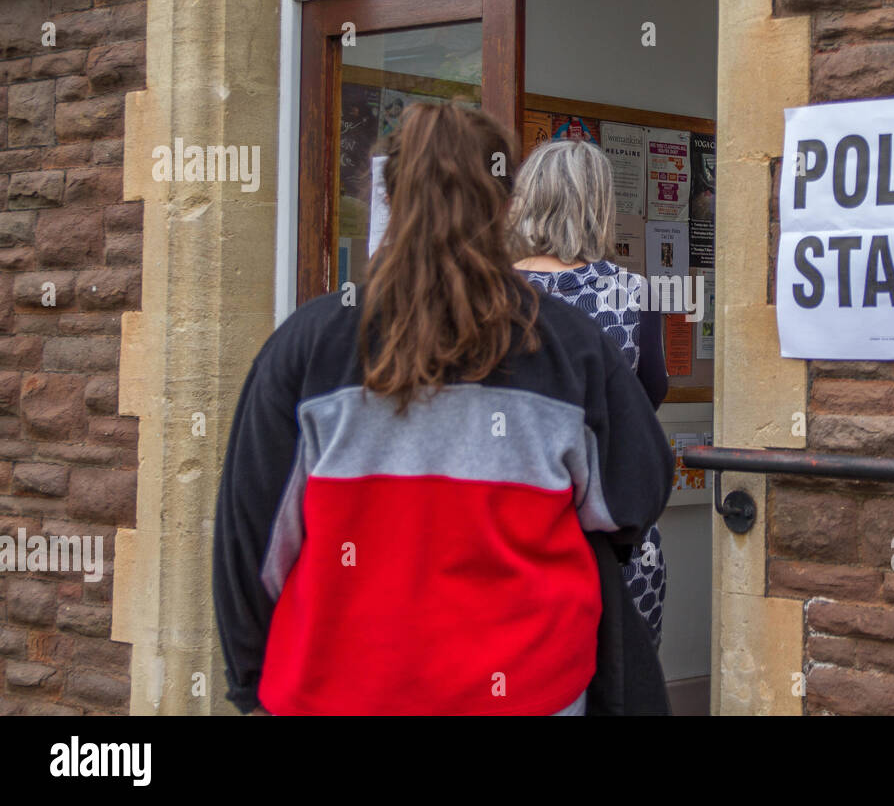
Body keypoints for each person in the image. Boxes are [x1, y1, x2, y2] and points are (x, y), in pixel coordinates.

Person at [213, 102, 674, 716]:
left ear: (390, 196)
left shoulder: (307, 347)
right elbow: (633, 499)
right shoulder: (569, 348)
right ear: (503, 201)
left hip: (340, 693)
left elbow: (252, 548)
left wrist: (251, 688)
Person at [510, 139, 671, 648]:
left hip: (503, 528)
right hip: (608, 531)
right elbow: (649, 397)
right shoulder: (634, 293)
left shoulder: (481, 293)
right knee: (619, 684)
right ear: (601, 206)